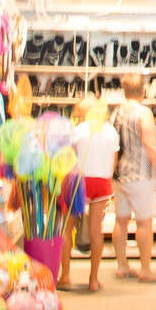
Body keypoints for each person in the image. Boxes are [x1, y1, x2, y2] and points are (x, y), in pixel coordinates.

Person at [58, 96, 119, 292]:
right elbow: (114, 163)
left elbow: (67, 157)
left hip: (78, 180)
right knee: (96, 230)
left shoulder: (78, 131)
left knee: (67, 228)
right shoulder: (111, 131)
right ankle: (93, 280)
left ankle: (65, 276)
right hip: (102, 182)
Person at [112, 73, 156, 282]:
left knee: (121, 221)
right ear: (142, 90)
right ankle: (145, 269)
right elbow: (150, 144)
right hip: (141, 175)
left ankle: (122, 265)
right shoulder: (143, 114)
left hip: (120, 175)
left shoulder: (116, 112)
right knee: (144, 223)